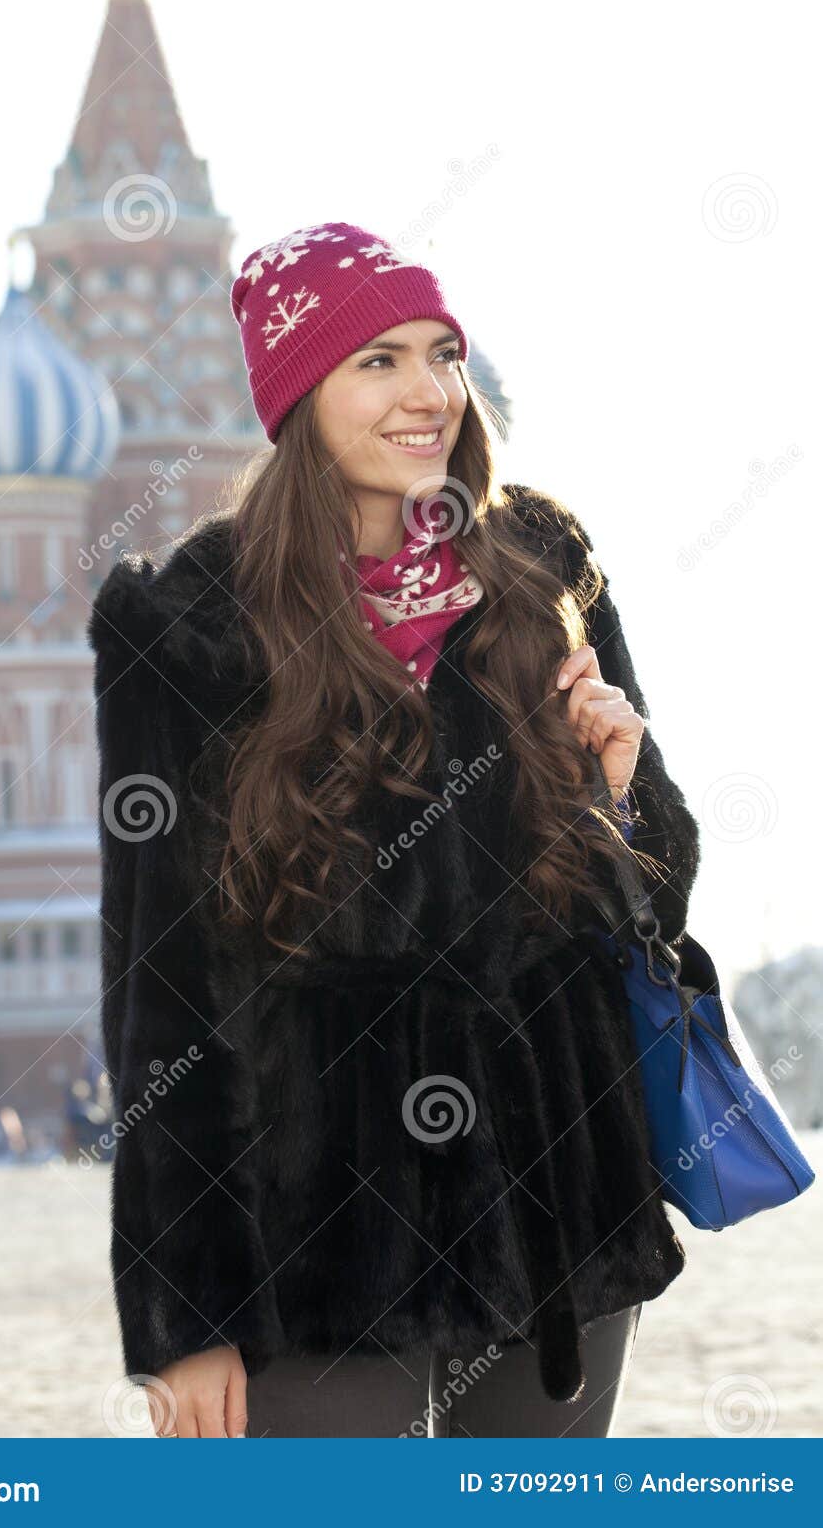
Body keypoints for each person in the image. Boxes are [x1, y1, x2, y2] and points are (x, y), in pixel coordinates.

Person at [86, 221, 700, 1438]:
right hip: (311, 1222)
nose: (427, 393)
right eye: (375, 360)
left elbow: (651, 897)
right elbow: (156, 983)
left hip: (553, 1192)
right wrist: (184, 1313)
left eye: (442, 354)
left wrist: (625, 791)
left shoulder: (540, 573)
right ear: (296, 394)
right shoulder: (188, 629)